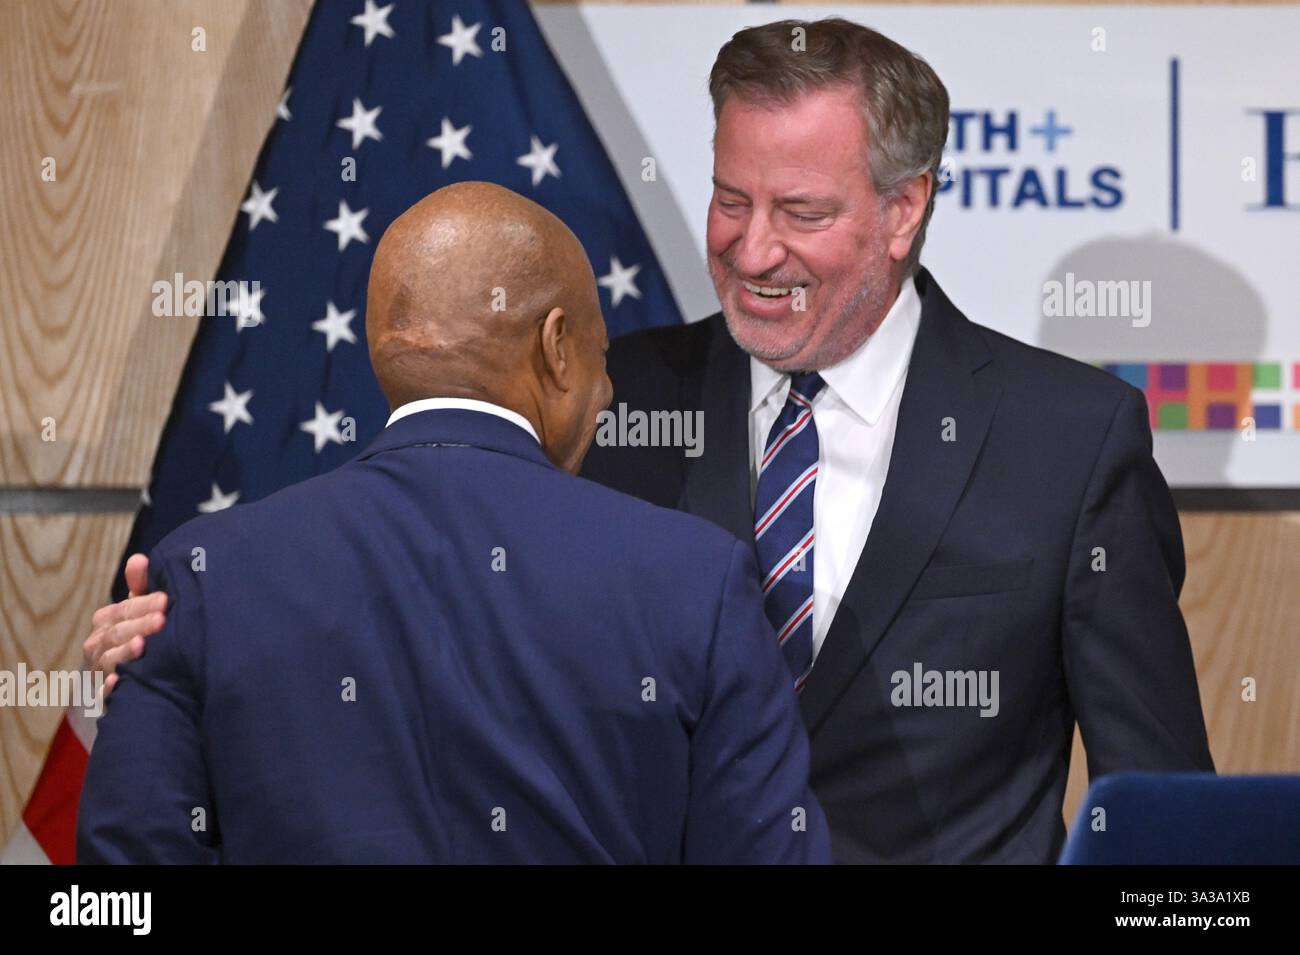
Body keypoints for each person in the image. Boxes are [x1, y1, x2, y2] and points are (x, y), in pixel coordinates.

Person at [87, 18, 1214, 864]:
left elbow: (1163, 815)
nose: (752, 250)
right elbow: (394, 584)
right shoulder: (597, 397)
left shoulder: (1070, 441)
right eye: (730, 199)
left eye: (801, 212)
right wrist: (182, 629)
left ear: (905, 208)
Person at [77, 181, 830, 864]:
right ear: (555, 346)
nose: (605, 394)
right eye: (600, 358)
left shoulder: (200, 579)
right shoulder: (696, 582)